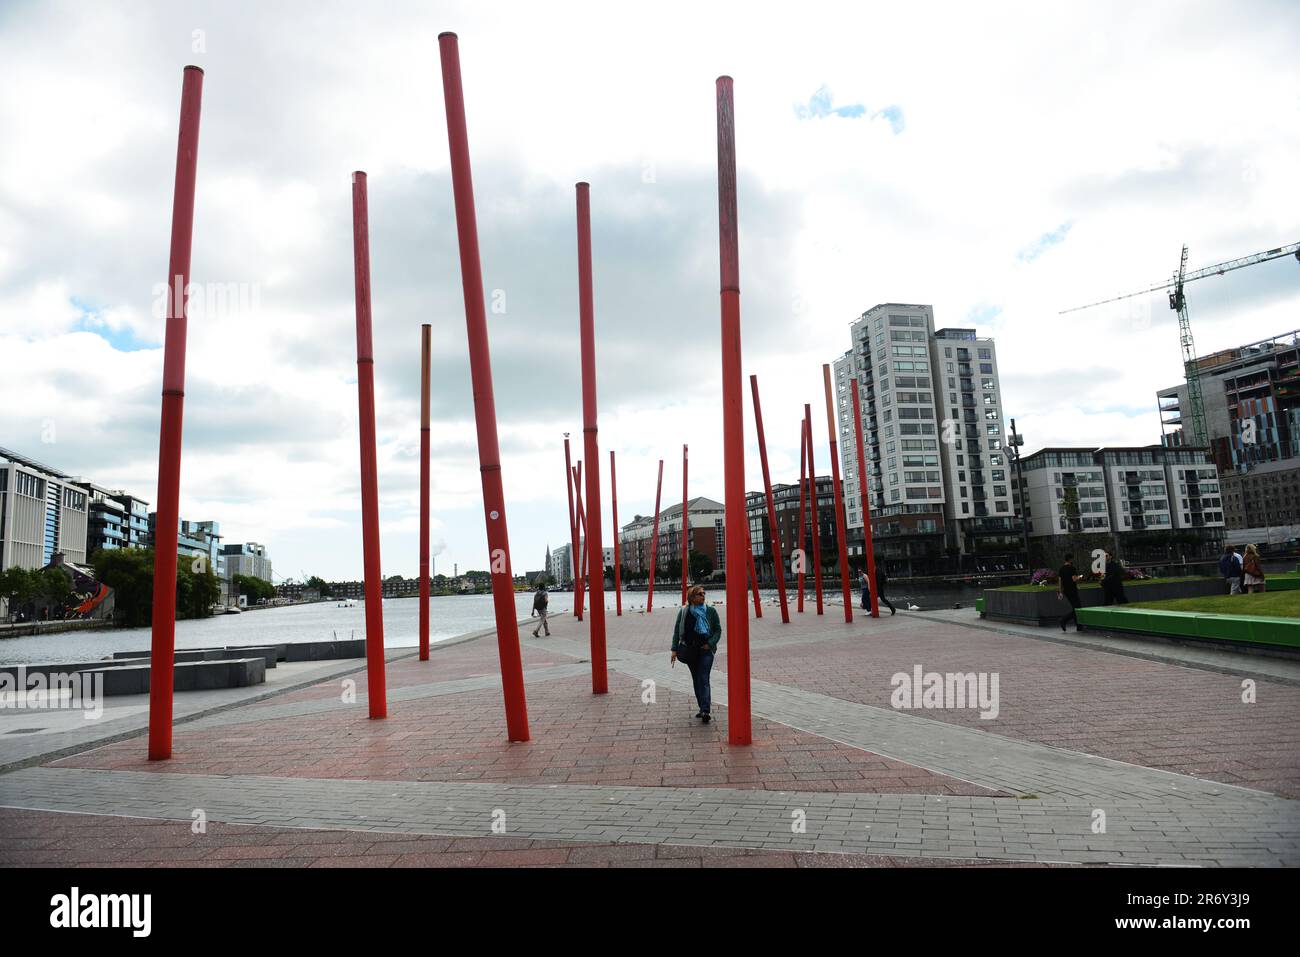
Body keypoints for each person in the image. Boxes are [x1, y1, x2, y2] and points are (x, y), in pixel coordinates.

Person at [670, 585, 721, 724]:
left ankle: (705, 710)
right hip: (690, 650)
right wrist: (674, 650)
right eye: (700, 594)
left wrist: (710, 643)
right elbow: (677, 631)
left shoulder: (711, 611)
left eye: (704, 593)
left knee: (703, 678)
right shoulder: (684, 612)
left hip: (706, 650)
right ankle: (701, 707)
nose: (703, 596)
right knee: (696, 679)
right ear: (692, 597)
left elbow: (717, 630)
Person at [1057, 553, 1084, 631]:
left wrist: (1060, 591)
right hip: (1072, 590)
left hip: (1066, 591)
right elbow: (1074, 579)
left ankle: (1079, 626)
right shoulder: (1072, 568)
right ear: (1070, 559)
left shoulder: (1061, 569)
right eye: (1072, 559)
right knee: (1077, 608)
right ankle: (1064, 620)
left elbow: (1060, 581)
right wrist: (1080, 577)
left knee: (1075, 607)